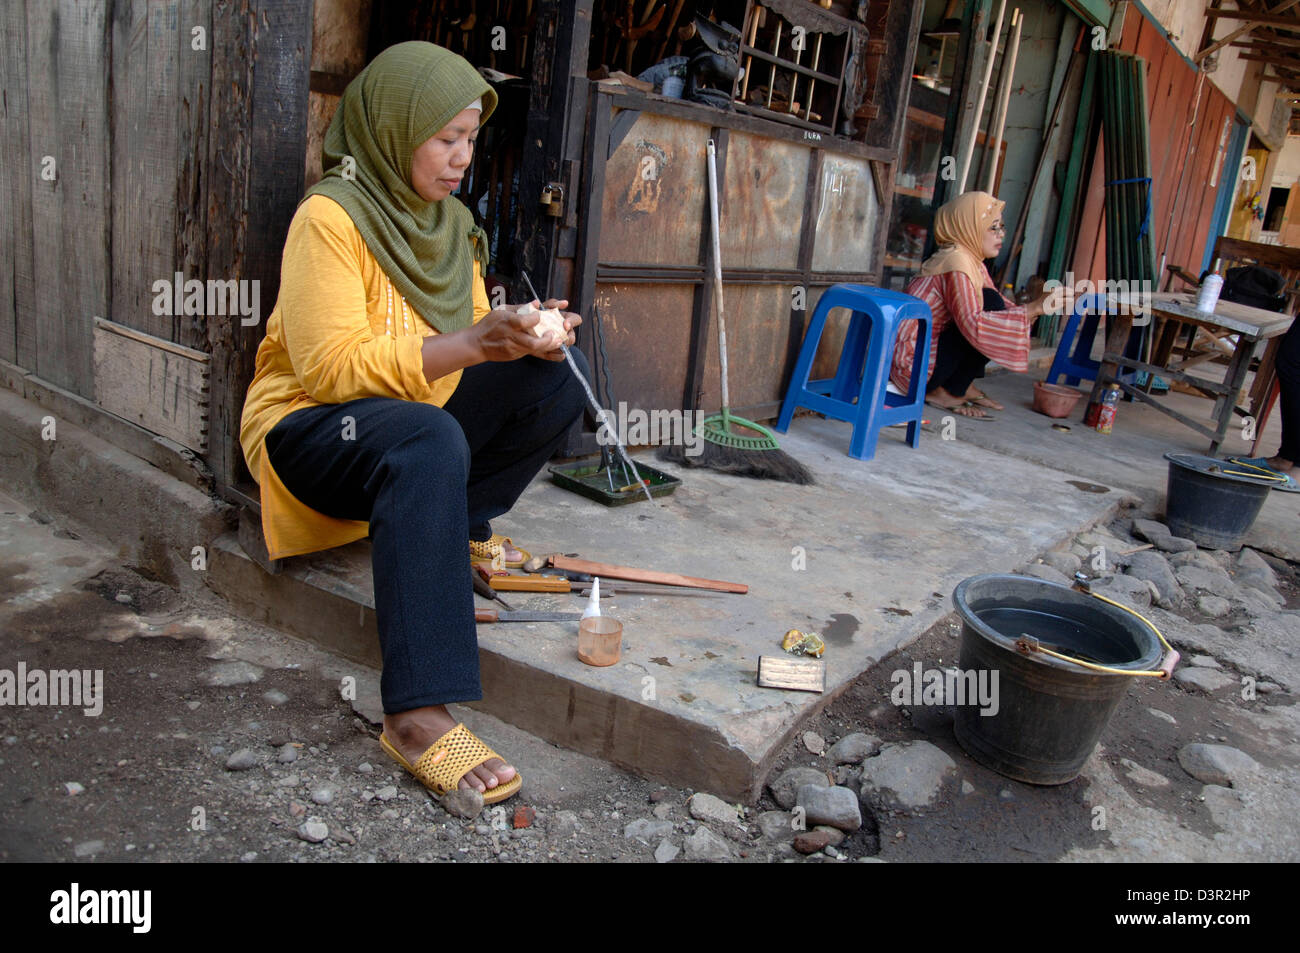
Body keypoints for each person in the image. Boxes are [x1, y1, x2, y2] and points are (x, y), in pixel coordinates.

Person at [239, 42, 587, 804]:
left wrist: (525, 335)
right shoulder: (329, 217)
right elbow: (329, 370)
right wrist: (472, 340)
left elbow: (468, 341)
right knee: (430, 435)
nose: (463, 156)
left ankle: (440, 530)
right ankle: (416, 711)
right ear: (394, 130)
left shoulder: (450, 221)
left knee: (555, 387)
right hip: (310, 429)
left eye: (470, 138)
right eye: (445, 138)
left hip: (407, 422)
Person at [890, 191, 1057, 420]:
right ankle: (943, 392)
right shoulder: (956, 262)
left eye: (1001, 228)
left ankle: (962, 385)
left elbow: (1005, 308)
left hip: (924, 356)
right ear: (967, 227)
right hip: (911, 366)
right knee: (988, 307)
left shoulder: (970, 260)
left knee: (993, 304)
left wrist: (1038, 308)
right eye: (993, 228)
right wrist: (1030, 310)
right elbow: (972, 321)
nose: (1001, 235)